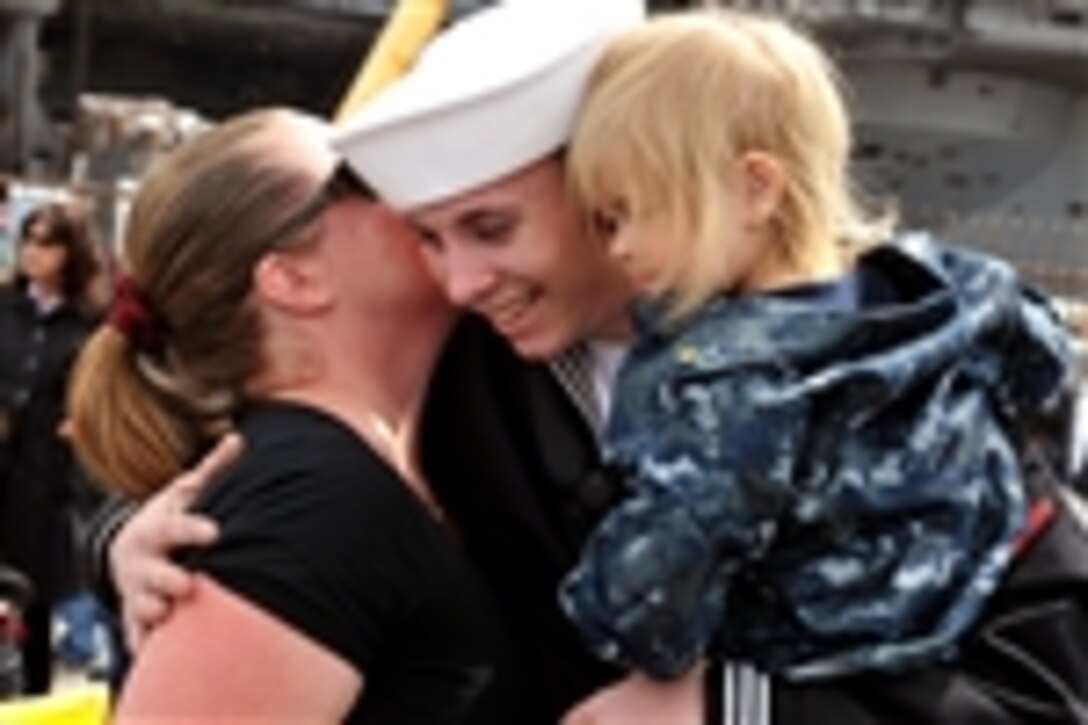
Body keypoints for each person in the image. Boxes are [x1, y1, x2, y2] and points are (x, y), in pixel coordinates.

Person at [91, 3, 1088, 724]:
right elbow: (265, 461)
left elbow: (1045, 686)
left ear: (616, 178)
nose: (464, 278)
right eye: (431, 237)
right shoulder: (474, 370)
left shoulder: (903, 362)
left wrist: (744, 710)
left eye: (491, 225)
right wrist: (129, 541)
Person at [557, 5, 1077, 686]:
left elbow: (641, 613)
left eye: (636, 209)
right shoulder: (970, 293)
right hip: (961, 646)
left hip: (802, 679)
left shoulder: (728, 390)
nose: (619, 246)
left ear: (755, 188)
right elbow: (1046, 390)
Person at [67, 107, 524, 723]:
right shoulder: (313, 501)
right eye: (362, 178)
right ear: (293, 280)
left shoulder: (347, 470)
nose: (411, 182)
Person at [0, 201, 101, 694]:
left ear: (71, 252)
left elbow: (91, 408)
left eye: (47, 242)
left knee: (33, 604)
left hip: (46, 485)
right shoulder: (4, 309)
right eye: (28, 239)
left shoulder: (87, 329)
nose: (33, 253)